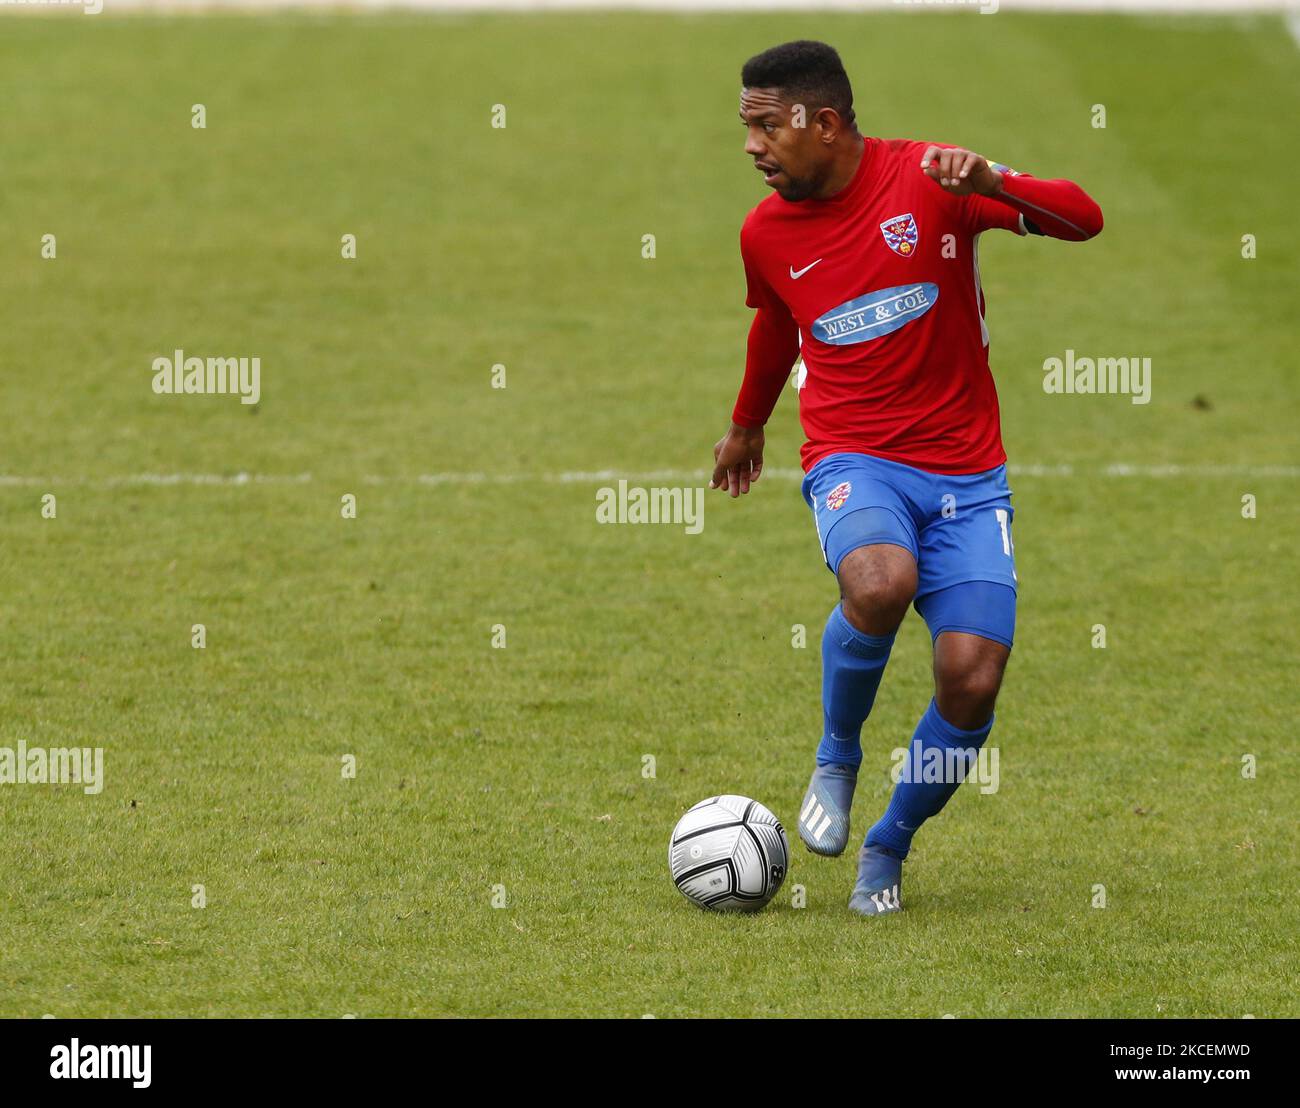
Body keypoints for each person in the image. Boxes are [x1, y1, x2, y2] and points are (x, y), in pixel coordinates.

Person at [710, 39, 1103, 917]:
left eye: (767, 127)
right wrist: (746, 425)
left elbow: (1086, 218)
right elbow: (778, 326)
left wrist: (996, 185)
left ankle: (888, 845)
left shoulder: (934, 181)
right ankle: (837, 754)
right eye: (749, 128)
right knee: (881, 582)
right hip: (855, 456)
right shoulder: (764, 233)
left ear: (826, 123)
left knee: (970, 677)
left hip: (968, 475)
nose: (752, 147)